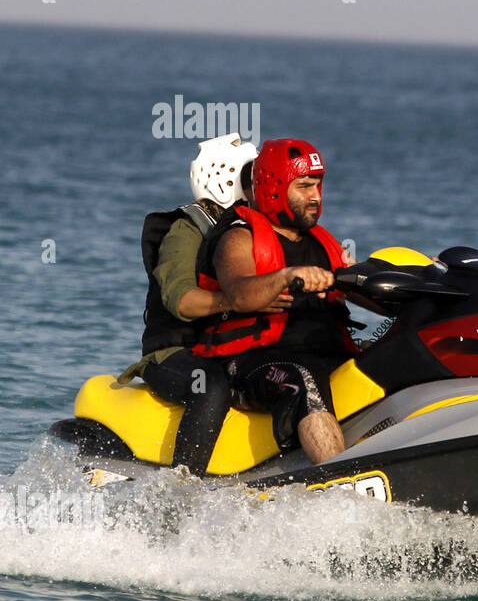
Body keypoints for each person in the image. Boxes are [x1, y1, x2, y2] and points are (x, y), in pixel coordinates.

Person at [193, 138, 363, 464]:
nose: (315, 196)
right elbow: (239, 295)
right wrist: (285, 276)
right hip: (249, 363)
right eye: (304, 186)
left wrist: (419, 276)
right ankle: (341, 482)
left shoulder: (325, 244)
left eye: (318, 185)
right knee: (302, 375)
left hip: (324, 353)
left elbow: (365, 286)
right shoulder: (239, 237)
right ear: (274, 187)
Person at [119, 134, 259, 472]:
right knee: (211, 386)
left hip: (224, 348)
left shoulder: (254, 229)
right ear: (226, 180)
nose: (261, 187)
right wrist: (237, 299)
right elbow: (180, 300)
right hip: (173, 354)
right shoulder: (187, 230)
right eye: (251, 178)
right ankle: (184, 486)